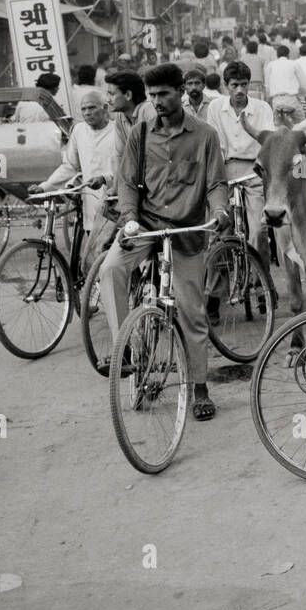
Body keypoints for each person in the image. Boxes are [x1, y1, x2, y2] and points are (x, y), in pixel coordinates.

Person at [101, 64, 231, 419]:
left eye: (164, 94)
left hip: (186, 232)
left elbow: (217, 183)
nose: (157, 101)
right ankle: (124, 347)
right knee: (111, 269)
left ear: (181, 93)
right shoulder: (140, 134)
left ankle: (200, 388)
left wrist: (220, 212)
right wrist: (128, 218)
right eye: (153, 95)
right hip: (145, 225)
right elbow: (127, 182)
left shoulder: (205, 135)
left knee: (192, 311)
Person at [205, 61, 274, 266]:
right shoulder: (216, 107)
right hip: (225, 170)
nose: (240, 90)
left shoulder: (262, 108)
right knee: (218, 226)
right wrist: (217, 175)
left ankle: (262, 281)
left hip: (254, 171)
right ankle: (218, 281)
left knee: (260, 229)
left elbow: (267, 141)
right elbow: (216, 144)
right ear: (226, 86)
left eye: (244, 85)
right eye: (234, 85)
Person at [36, 88, 115, 260]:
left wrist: (105, 178)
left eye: (92, 108)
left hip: (114, 203)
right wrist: (45, 186)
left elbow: (125, 169)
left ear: (105, 108)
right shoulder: (79, 130)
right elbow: (70, 165)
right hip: (89, 203)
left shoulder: (118, 131)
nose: (87, 113)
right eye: (84, 109)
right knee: (93, 256)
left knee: (112, 256)